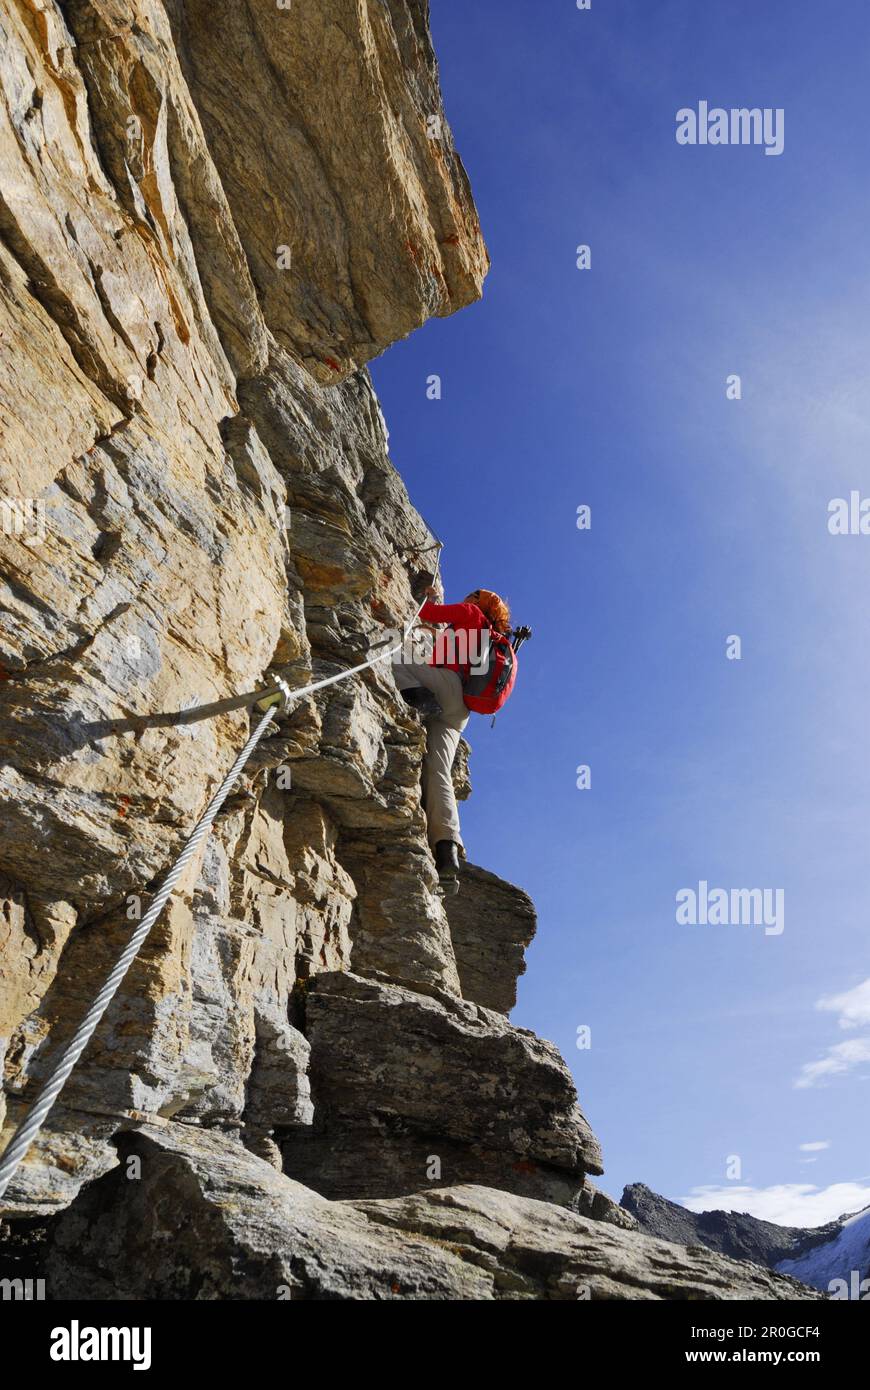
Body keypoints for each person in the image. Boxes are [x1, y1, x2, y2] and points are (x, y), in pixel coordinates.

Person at [393, 588, 513, 893]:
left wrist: (430, 599)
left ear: (482, 605)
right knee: (438, 772)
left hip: (445, 686)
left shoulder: (470, 614)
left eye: (475, 595)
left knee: (391, 647)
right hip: (460, 712)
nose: (469, 597)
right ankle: (447, 852)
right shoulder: (486, 634)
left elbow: (426, 614)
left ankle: (417, 697)